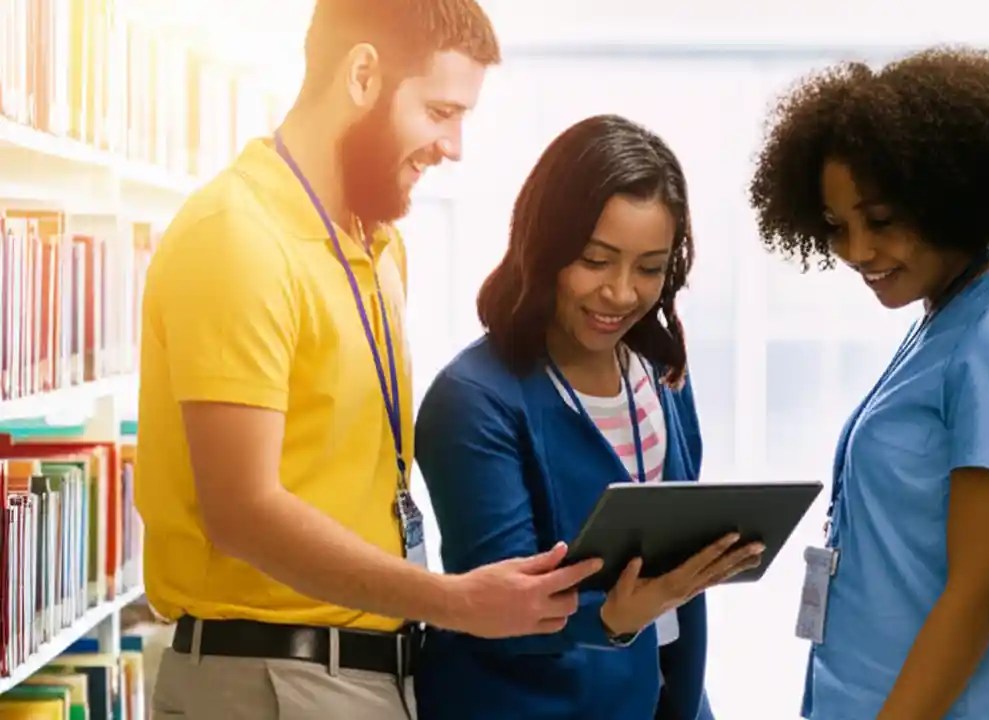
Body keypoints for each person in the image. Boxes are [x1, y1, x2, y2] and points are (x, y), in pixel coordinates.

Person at [134, 2, 603, 718]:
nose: (454, 146)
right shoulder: (236, 237)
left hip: (360, 673)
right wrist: (454, 600)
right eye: (440, 110)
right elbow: (241, 510)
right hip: (271, 681)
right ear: (361, 75)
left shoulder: (378, 248)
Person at [746, 47, 989, 720]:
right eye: (837, 227)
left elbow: (980, 594)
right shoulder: (946, 320)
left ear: (948, 196)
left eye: (883, 219)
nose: (858, 252)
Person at [413, 113, 764, 720]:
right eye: (596, 260)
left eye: (650, 268)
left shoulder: (661, 377)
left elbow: (672, 598)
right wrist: (609, 617)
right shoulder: (473, 398)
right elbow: (494, 608)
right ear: (544, 247)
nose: (621, 293)